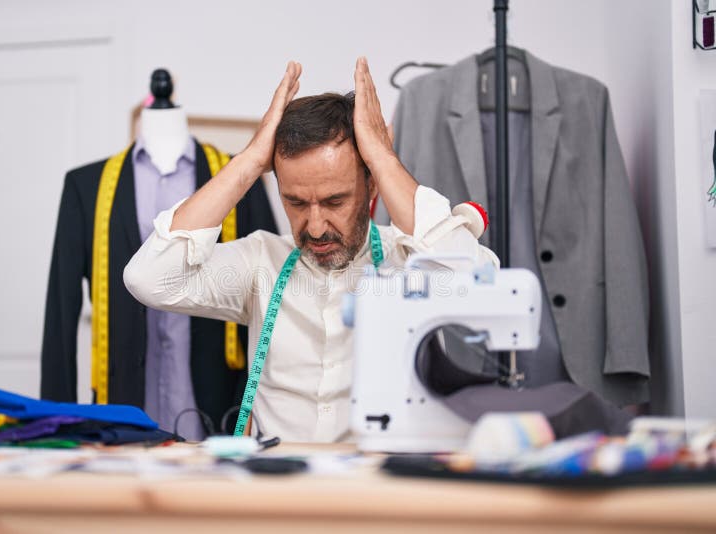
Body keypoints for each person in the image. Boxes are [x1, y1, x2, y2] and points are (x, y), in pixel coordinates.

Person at [124, 58, 497, 442]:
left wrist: (383, 159)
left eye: (334, 201)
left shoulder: (411, 261)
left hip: (378, 490)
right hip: (279, 491)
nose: (315, 227)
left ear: (372, 188)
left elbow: (480, 292)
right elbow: (148, 279)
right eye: (297, 203)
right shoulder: (259, 263)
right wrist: (250, 161)